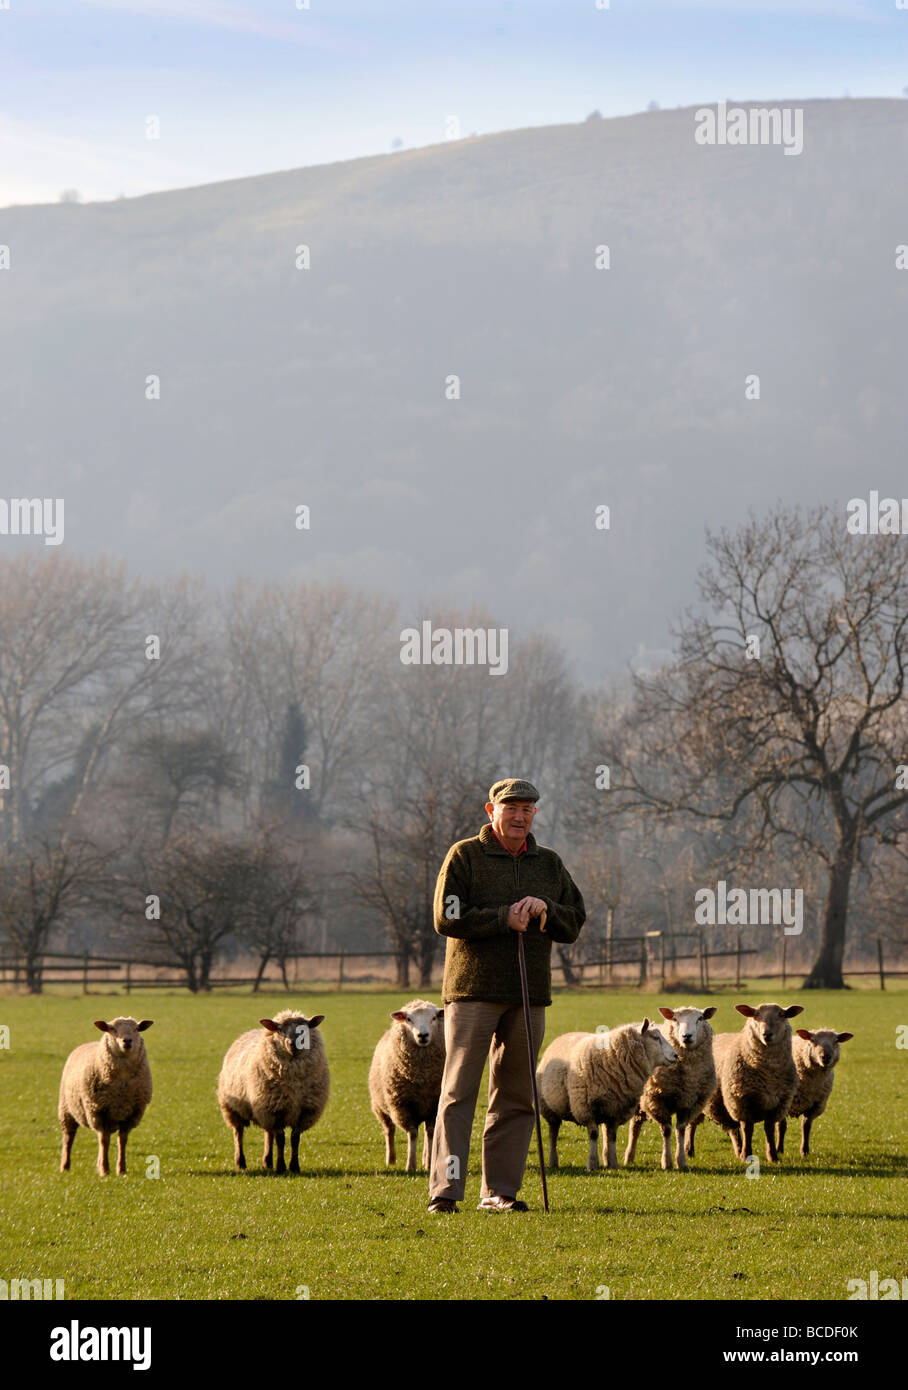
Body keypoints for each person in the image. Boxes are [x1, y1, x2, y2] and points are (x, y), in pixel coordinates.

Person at [427, 778, 586, 1213]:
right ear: (490, 810)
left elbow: (575, 920)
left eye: (528, 809)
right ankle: (446, 1191)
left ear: (536, 814)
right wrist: (503, 918)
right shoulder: (465, 855)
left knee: (516, 1095)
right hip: (473, 991)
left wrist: (546, 910)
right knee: (459, 1092)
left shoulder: (548, 864)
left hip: (529, 993)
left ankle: (498, 1193)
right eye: (511, 807)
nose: (519, 816)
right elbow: (447, 915)